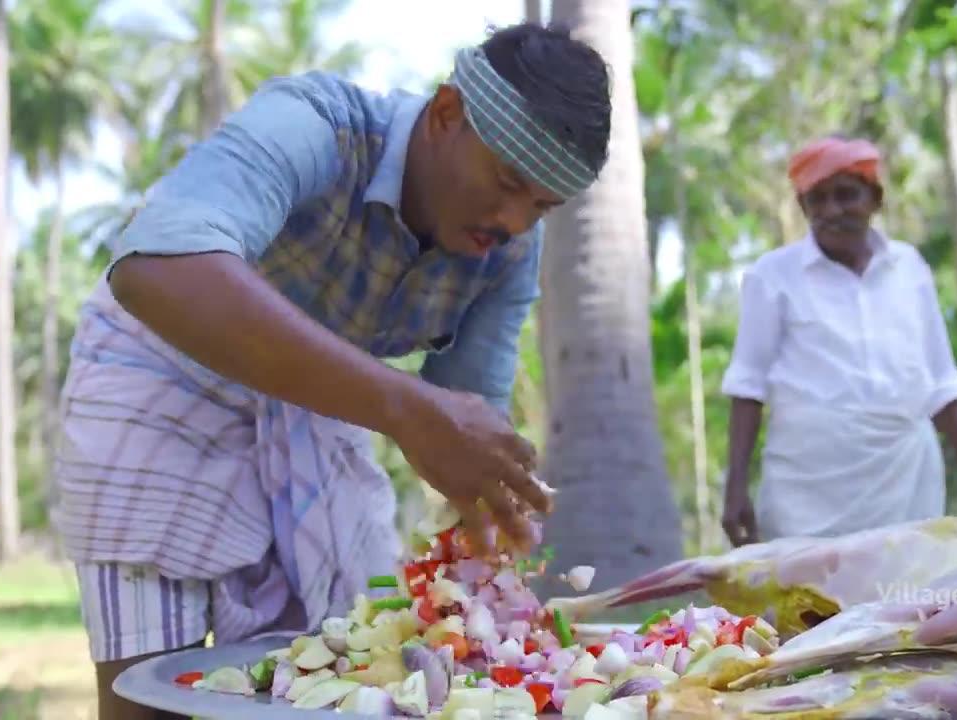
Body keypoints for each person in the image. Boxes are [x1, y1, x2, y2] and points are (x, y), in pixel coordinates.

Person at [53, 23, 610, 719]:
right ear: (445, 114)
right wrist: (406, 410)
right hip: (157, 378)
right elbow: (156, 271)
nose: (514, 223)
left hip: (320, 411)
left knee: (337, 679)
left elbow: (461, 420)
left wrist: (490, 560)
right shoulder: (319, 124)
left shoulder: (503, 254)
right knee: (152, 700)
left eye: (543, 208)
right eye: (507, 183)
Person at [719, 136, 957, 548]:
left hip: (905, 480)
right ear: (803, 208)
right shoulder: (772, 276)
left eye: (846, 195)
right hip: (806, 491)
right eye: (816, 200)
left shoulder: (909, 268)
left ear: (875, 198)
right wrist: (735, 488)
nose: (832, 211)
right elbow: (747, 387)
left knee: (907, 598)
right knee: (808, 607)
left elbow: (940, 381)